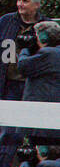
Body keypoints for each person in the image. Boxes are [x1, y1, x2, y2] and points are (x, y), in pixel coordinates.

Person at [0, 0, 49, 167]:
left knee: (35, 137)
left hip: (35, 89)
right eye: (18, 0)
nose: (20, 4)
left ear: (37, 4)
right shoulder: (6, 22)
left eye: (25, 1)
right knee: (8, 137)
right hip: (9, 87)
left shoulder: (46, 26)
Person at [20, 19, 60, 147]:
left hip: (43, 119)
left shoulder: (48, 53)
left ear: (44, 38)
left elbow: (23, 67)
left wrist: (25, 49)